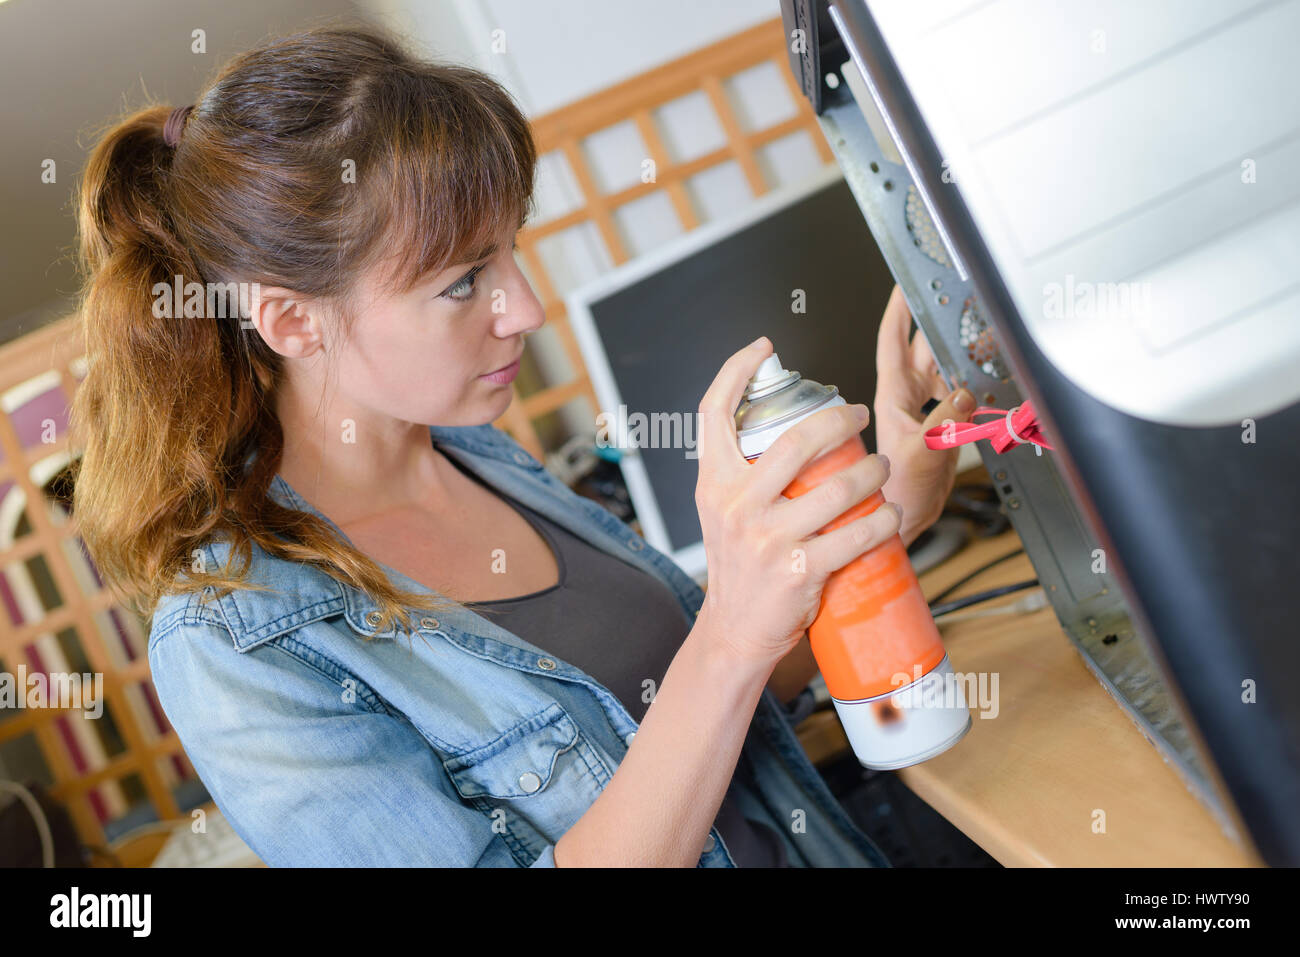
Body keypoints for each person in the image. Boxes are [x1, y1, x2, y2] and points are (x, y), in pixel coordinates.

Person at [70, 23, 976, 867]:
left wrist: (881, 515)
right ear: (292, 321)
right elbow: (719, 670)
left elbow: (709, 714)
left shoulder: (479, 460)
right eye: (464, 282)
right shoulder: (236, 646)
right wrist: (730, 633)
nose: (526, 310)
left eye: (509, 251)